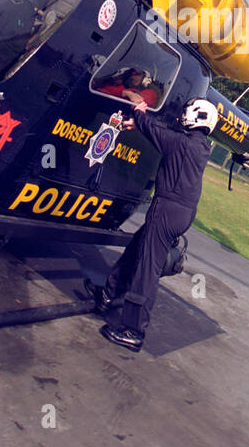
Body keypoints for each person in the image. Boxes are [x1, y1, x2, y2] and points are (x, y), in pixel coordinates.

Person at [86, 97, 218, 352]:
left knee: (147, 269)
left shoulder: (182, 144)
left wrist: (139, 111)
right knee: (137, 249)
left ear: (196, 117)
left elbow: (156, 131)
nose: (183, 117)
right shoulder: (198, 146)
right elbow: (165, 134)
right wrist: (141, 123)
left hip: (166, 210)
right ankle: (109, 292)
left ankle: (133, 331)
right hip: (181, 213)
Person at [96, 67, 161, 108]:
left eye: (138, 74)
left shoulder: (152, 92)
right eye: (133, 74)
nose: (134, 76)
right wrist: (126, 92)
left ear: (146, 78)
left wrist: (130, 93)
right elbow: (101, 89)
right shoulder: (124, 87)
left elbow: (140, 100)